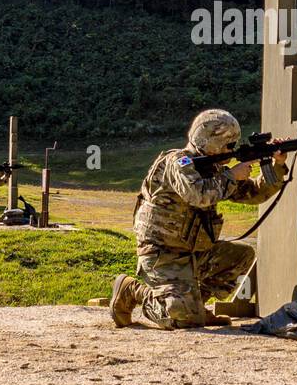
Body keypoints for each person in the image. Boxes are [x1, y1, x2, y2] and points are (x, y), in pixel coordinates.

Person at [109, 108, 287, 330]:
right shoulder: (178, 162)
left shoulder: (214, 169)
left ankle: (196, 306)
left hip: (195, 253)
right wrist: (232, 175)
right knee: (183, 320)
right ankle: (132, 290)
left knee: (242, 255)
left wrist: (277, 165)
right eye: (227, 144)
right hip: (164, 255)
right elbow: (198, 195)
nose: (230, 150)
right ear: (208, 140)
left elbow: (253, 194)